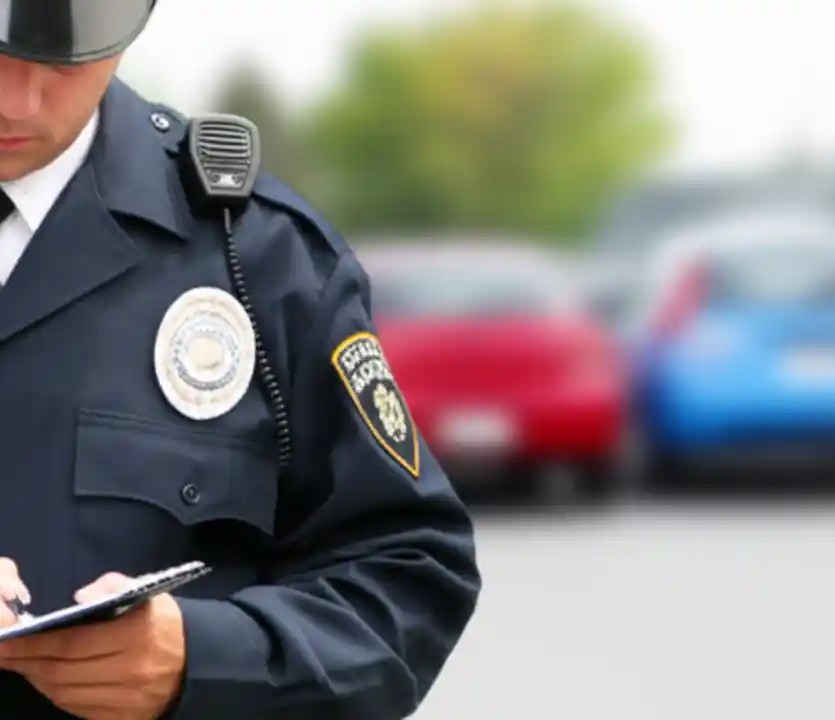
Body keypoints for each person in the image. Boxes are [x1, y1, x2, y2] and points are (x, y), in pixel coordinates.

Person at [0, 2, 482, 719]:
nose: (16, 99)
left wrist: (206, 660)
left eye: (62, 57)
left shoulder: (259, 259)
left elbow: (409, 575)